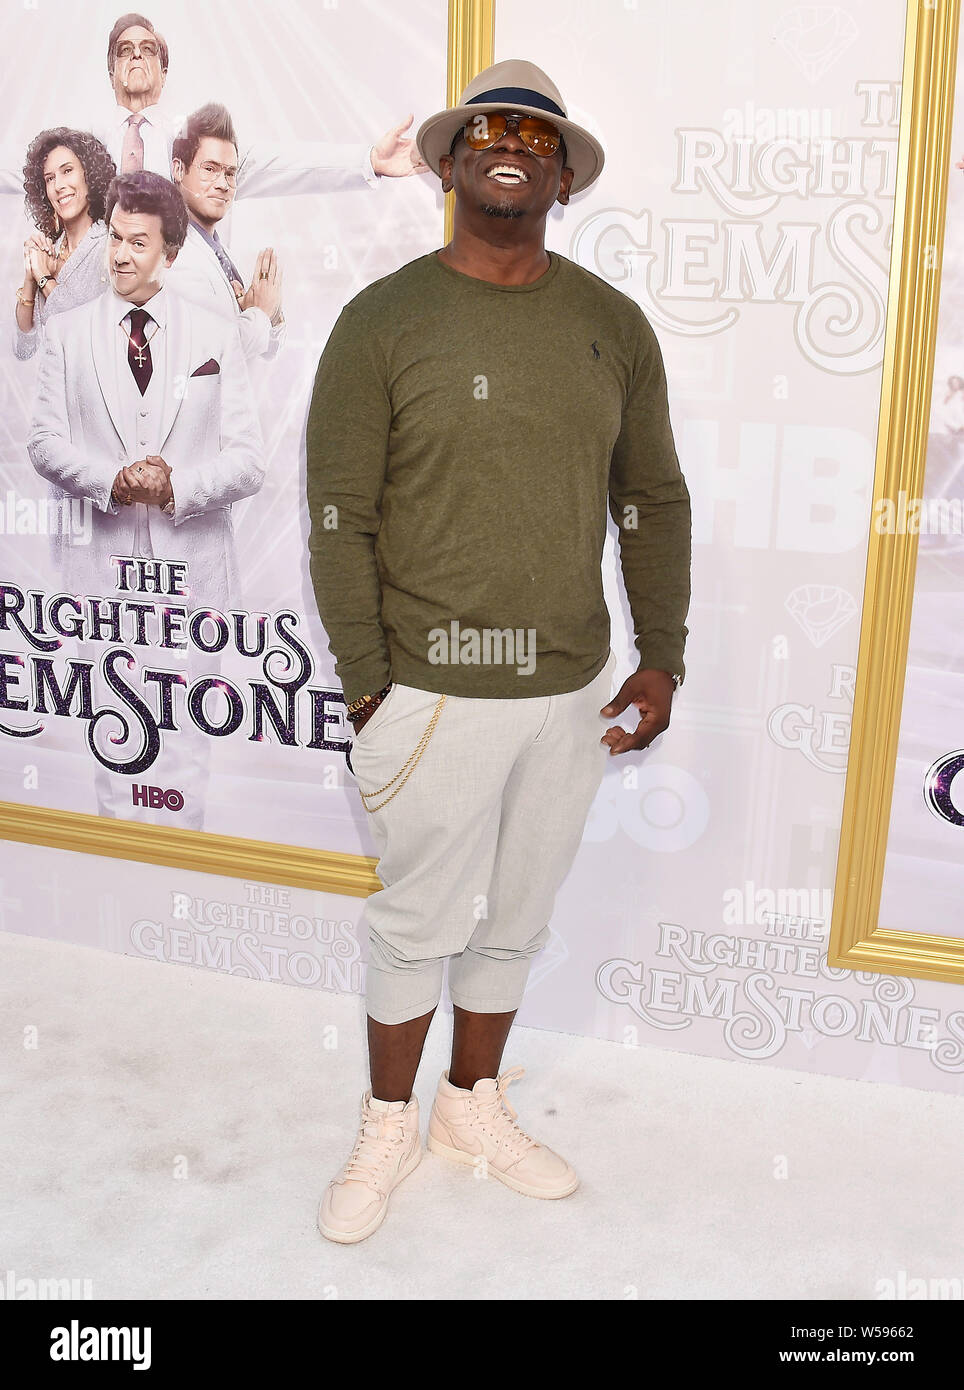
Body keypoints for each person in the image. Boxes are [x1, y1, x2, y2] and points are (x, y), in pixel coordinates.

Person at [304, 59, 692, 1244]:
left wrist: (660, 654)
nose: (509, 143)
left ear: (562, 173)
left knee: (516, 914)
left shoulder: (609, 326)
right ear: (449, 160)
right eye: (486, 128)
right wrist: (371, 682)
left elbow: (653, 498)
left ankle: (471, 1106)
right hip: (426, 689)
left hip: (570, 688)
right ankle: (387, 1122)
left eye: (535, 131)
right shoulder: (382, 320)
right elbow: (338, 514)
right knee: (413, 924)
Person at [27, 170, 265, 829]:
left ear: (172, 253)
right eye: (115, 239)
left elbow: (250, 460)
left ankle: (182, 872)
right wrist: (111, 481)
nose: (122, 255)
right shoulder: (66, 332)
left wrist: (177, 487)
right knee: (111, 738)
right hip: (98, 582)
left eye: (139, 242)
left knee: (189, 746)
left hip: (193, 579)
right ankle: (117, 882)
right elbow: (43, 443)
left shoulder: (215, 336)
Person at [0, 12, 427, 197]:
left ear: (164, 72)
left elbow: (275, 164)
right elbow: (17, 171)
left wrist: (368, 160)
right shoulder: (78, 145)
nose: (135, 56)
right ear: (110, 70)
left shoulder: (195, 140)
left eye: (148, 49)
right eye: (124, 50)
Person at [169, 103, 283, 362]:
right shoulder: (174, 258)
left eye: (230, 173)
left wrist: (269, 312)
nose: (222, 184)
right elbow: (214, 356)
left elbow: (266, 352)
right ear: (178, 170)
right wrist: (262, 312)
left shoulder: (221, 251)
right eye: (209, 169)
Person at [14, 129, 115, 360]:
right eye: (50, 178)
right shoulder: (50, 249)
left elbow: (87, 334)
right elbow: (23, 349)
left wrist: (43, 278)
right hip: (47, 393)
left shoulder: (109, 246)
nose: (58, 186)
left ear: (90, 175)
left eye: (67, 171)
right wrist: (31, 273)